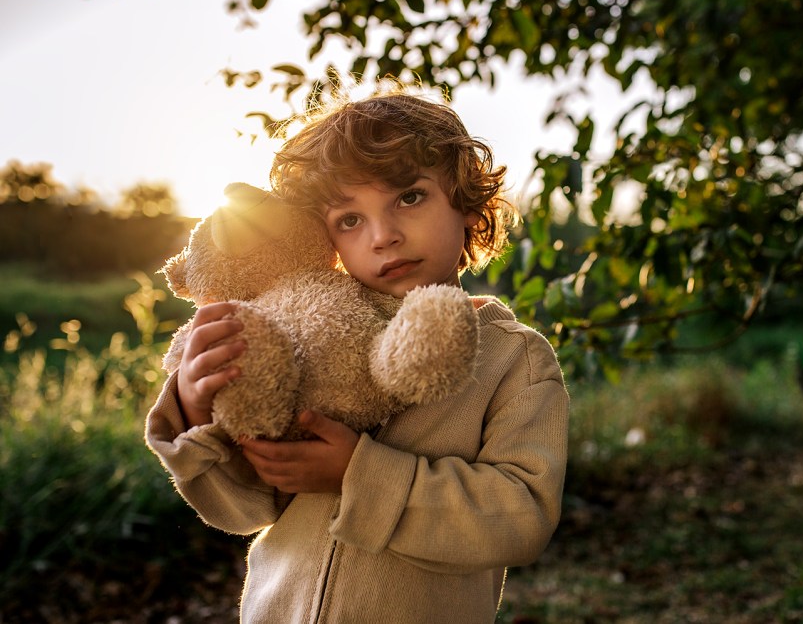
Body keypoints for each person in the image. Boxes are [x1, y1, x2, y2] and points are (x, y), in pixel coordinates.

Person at [145, 86, 570, 624]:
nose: (383, 236)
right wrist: (197, 410)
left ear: (466, 203)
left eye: (409, 197)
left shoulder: (517, 359)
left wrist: (359, 475)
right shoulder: (304, 337)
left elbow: (521, 518)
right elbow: (241, 510)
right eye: (349, 220)